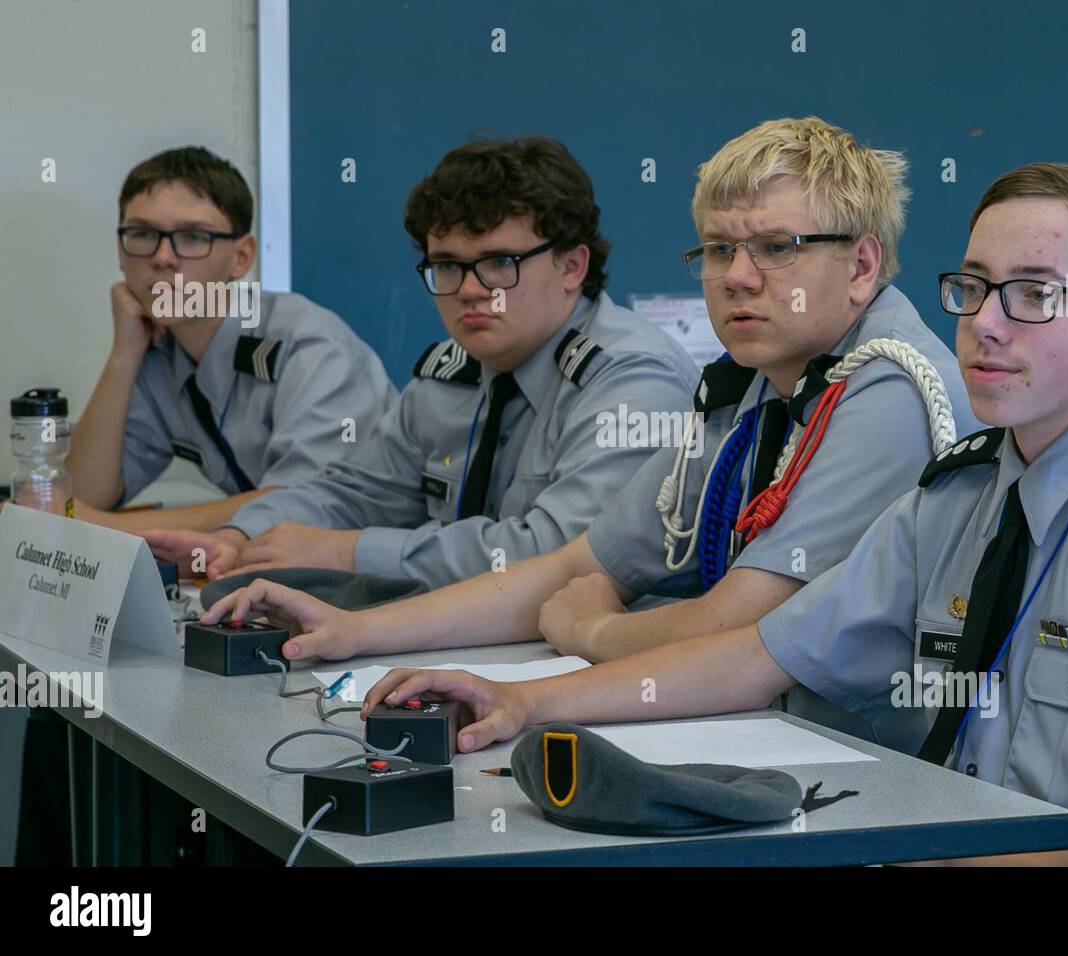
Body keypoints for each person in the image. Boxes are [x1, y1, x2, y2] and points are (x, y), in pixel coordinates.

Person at [222, 162, 1068, 866]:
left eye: (1035, 296)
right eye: (973, 287)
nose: (987, 325)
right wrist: (533, 706)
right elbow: (762, 653)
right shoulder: (966, 488)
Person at [201, 117, 976, 742]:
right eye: (717, 248)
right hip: (753, 732)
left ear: (863, 266)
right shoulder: (756, 386)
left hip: (875, 775)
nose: (737, 275)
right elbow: (571, 562)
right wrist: (357, 631)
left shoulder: (888, 389)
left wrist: (595, 631)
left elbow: (741, 620)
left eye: (777, 248)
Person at [148, 136, 698, 586]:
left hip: (607, 675)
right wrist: (240, 538)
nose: (469, 291)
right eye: (447, 266)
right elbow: (354, 492)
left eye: (499, 263)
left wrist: (350, 553)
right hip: (468, 652)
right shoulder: (451, 373)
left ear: (572, 265)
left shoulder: (631, 378)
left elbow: (556, 556)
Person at [67, 146, 396, 533]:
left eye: (192, 237)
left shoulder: (309, 346)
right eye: (142, 234)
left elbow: (300, 504)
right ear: (121, 253)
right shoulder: (158, 352)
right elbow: (83, 495)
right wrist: (124, 354)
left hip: (386, 574)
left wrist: (109, 528)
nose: (162, 257)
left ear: (241, 257)